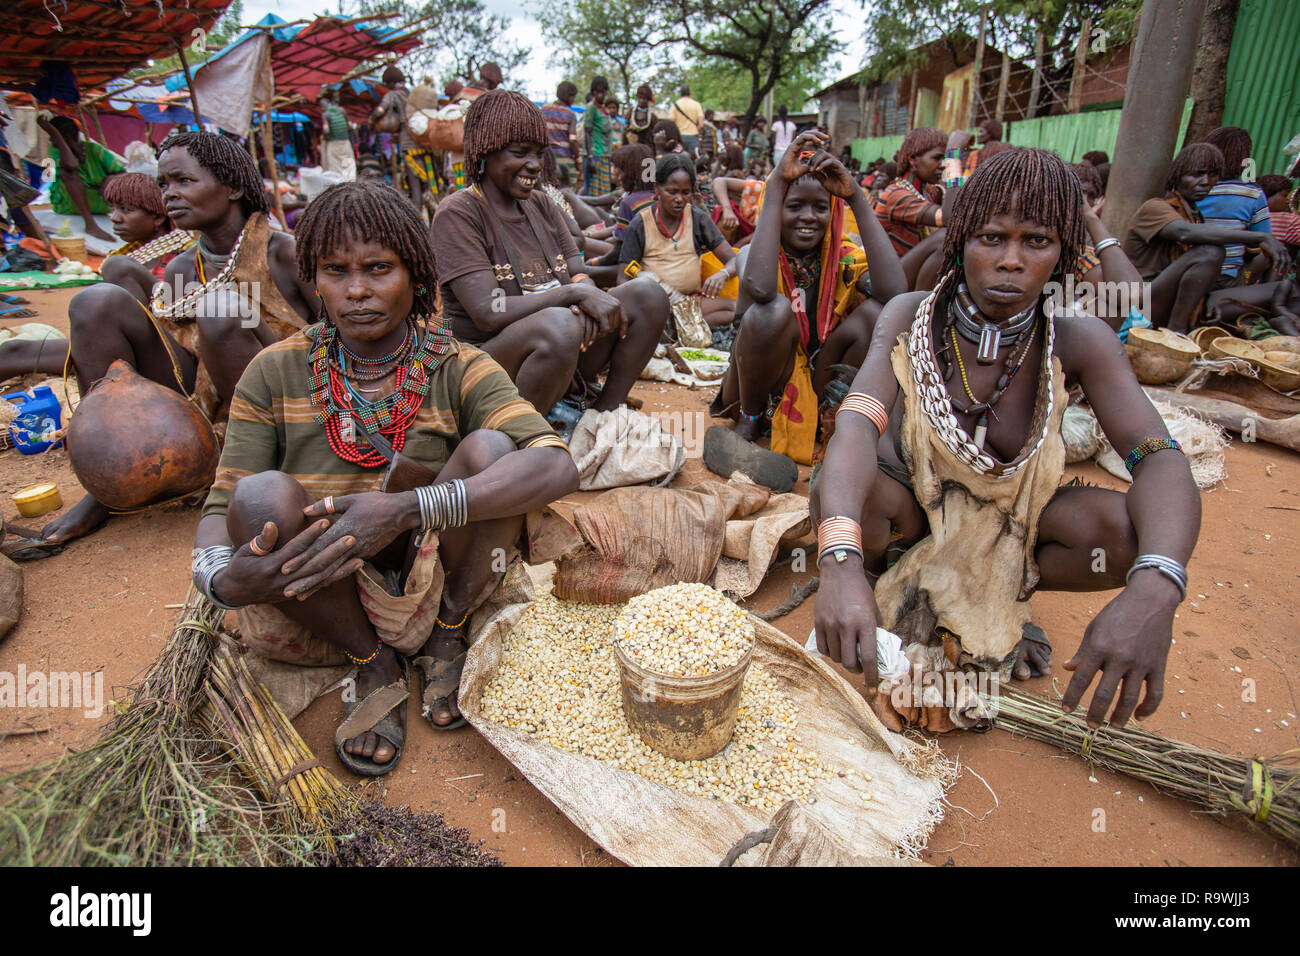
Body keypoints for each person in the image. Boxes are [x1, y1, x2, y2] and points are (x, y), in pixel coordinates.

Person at [192, 180, 578, 771]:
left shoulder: (455, 363)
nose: (356, 291)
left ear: (416, 276)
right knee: (259, 494)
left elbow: (555, 462)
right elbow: (221, 507)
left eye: (379, 268)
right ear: (313, 281)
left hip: (426, 554)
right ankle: (370, 661)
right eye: (334, 271)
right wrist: (219, 580)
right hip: (318, 577)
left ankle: (448, 628)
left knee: (493, 449)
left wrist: (406, 509)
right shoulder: (274, 370)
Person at [813, 147, 1201, 734]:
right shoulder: (910, 316)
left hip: (1012, 532)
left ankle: (993, 601)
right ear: (961, 240)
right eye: (991, 238)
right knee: (841, 493)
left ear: (1064, 253)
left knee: (1123, 536)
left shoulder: (1078, 340)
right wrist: (838, 564)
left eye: (1037, 241)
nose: (1011, 262)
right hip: (913, 519)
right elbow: (855, 427)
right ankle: (880, 588)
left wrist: (1157, 585)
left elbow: (1160, 459)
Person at [42, 130, 317, 546]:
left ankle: (258, 473)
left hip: (280, 410)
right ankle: (102, 485)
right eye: (163, 184)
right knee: (96, 302)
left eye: (183, 181)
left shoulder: (286, 253)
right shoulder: (180, 269)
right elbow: (182, 359)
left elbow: (336, 339)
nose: (169, 194)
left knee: (222, 312)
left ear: (234, 187)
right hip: (199, 413)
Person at [430, 90, 669, 420]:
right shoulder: (458, 213)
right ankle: (521, 432)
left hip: (562, 341)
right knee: (558, 324)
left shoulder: (540, 203)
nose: (535, 164)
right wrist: (575, 294)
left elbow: (575, 268)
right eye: (520, 153)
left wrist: (582, 289)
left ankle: (600, 416)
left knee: (648, 293)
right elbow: (489, 310)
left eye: (539, 154)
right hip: (486, 365)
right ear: (485, 151)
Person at [712, 131, 907, 466]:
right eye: (794, 206)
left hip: (817, 379)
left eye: (820, 207)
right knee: (771, 311)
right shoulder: (757, 254)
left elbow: (895, 295)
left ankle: (829, 419)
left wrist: (857, 198)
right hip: (759, 388)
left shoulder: (842, 256)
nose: (808, 217)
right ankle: (750, 425)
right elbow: (759, 289)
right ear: (776, 209)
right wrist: (773, 187)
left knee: (877, 314)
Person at [1122, 142, 1289, 332]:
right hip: (1140, 301)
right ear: (1176, 176)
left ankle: (1191, 321)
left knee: (1282, 289)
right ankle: (1177, 332)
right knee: (1211, 252)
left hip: (1166, 299)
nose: (1205, 182)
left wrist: (1203, 299)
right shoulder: (1155, 207)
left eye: (1212, 175)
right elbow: (1184, 233)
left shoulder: (1195, 215)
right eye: (1196, 174)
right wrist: (1259, 237)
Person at [618, 153, 738, 329]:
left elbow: (734, 260)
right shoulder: (640, 224)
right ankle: (682, 329)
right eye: (671, 192)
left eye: (685, 192)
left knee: (736, 309)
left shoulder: (698, 219)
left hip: (689, 302)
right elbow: (622, 279)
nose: (679, 199)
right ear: (657, 189)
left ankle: (684, 328)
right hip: (655, 307)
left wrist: (723, 274)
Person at [1196, 127, 1273, 284]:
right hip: (1225, 276)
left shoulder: (1191, 184)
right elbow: (1259, 245)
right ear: (1244, 158)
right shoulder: (1253, 193)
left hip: (1181, 267)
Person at [38, 114, 122, 242]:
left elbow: (121, 173)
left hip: (100, 203)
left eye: (52, 137)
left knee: (116, 178)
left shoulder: (94, 149)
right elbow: (71, 165)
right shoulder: (54, 151)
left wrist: (108, 180)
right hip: (67, 205)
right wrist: (61, 141)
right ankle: (90, 224)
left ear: (66, 137)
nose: (51, 140)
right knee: (69, 173)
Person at [874, 126, 946, 259]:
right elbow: (948, 218)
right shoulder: (896, 195)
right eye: (937, 158)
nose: (943, 165)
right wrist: (956, 157)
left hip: (911, 273)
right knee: (942, 238)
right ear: (913, 159)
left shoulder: (930, 192)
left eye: (945, 158)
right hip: (892, 275)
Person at [372, 67, 429, 212]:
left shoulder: (393, 95)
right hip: (425, 145)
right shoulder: (412, 95)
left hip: (409, 147)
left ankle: (417, 223)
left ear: (390, 83)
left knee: (414, 187)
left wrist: (371, 120)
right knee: (427, 186)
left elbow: (380, 112)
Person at [542, 81, 581, 184]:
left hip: (546, 158)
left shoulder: (544, 110)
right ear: (569, 96)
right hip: (565, 160)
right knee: (568, 191)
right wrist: (578, 157)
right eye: (573, 96)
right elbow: (572, 141)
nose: (573, 100)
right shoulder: (570, 114)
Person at [583, 77, 612, 195]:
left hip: (604, 155)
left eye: (602, 92)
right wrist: (590, 157)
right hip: (595, 155)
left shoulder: (603, 109)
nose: (600, 94)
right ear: (593, 92)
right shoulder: (591, 107)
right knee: (592, 193)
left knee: (603, 192)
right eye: (597, 92)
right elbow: (587, 132)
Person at [318, 92, 356, 182]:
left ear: (322, 107)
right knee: (349, 171)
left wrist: (325, 137)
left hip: (333, 145)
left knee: (335, 173)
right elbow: (350, 126)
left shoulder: (326, 115)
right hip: (346, 144)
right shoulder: (342, 111)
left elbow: (326, 130)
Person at [673, 85, 704, 155]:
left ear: (680, 94)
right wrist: (696, 130)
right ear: (690, 93)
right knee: (695, 161)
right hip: (693, 137)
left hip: (679, 138)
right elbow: (701, 124)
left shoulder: (675, 105)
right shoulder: (697, 105)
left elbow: (671, 123)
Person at [771, 106, 797, 170]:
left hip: (778, 151)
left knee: (777, 171)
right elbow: (793, 139)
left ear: (779, 114)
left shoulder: (775, 125)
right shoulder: (792, 125)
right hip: (789, 151)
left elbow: (774, 140)